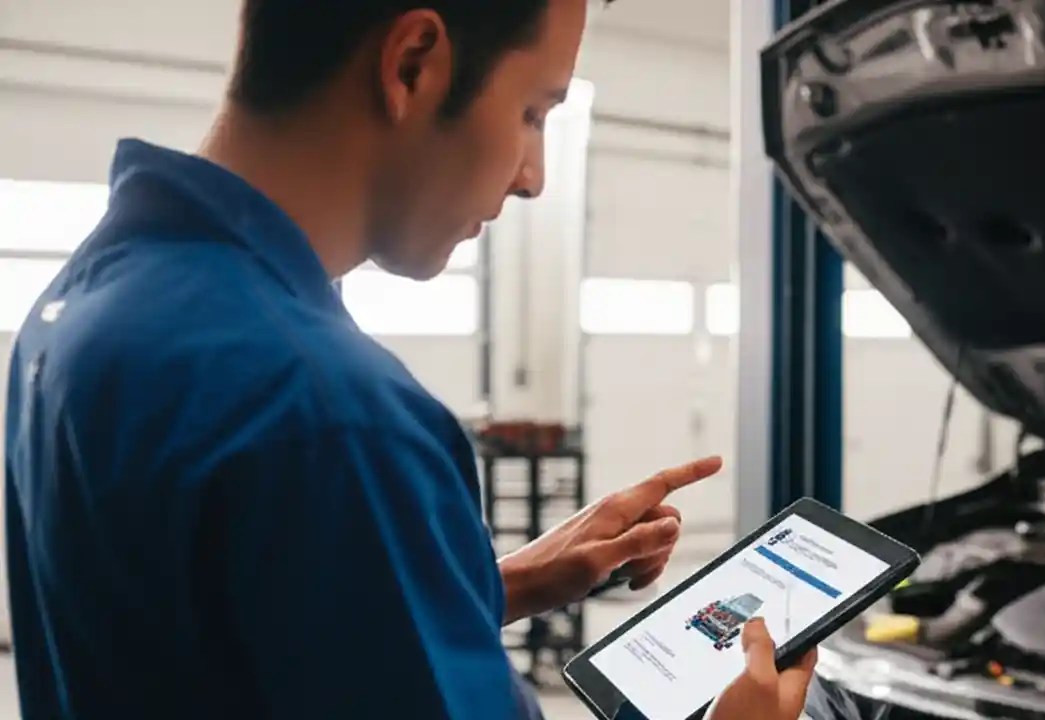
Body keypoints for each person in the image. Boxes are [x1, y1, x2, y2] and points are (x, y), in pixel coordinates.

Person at [2, 0, 818, 718]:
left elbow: (222, 643)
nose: (533, 179)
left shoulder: (85, 305)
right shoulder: (326, 409)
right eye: (534, 112)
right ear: (413, 64)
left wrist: (494, 582)